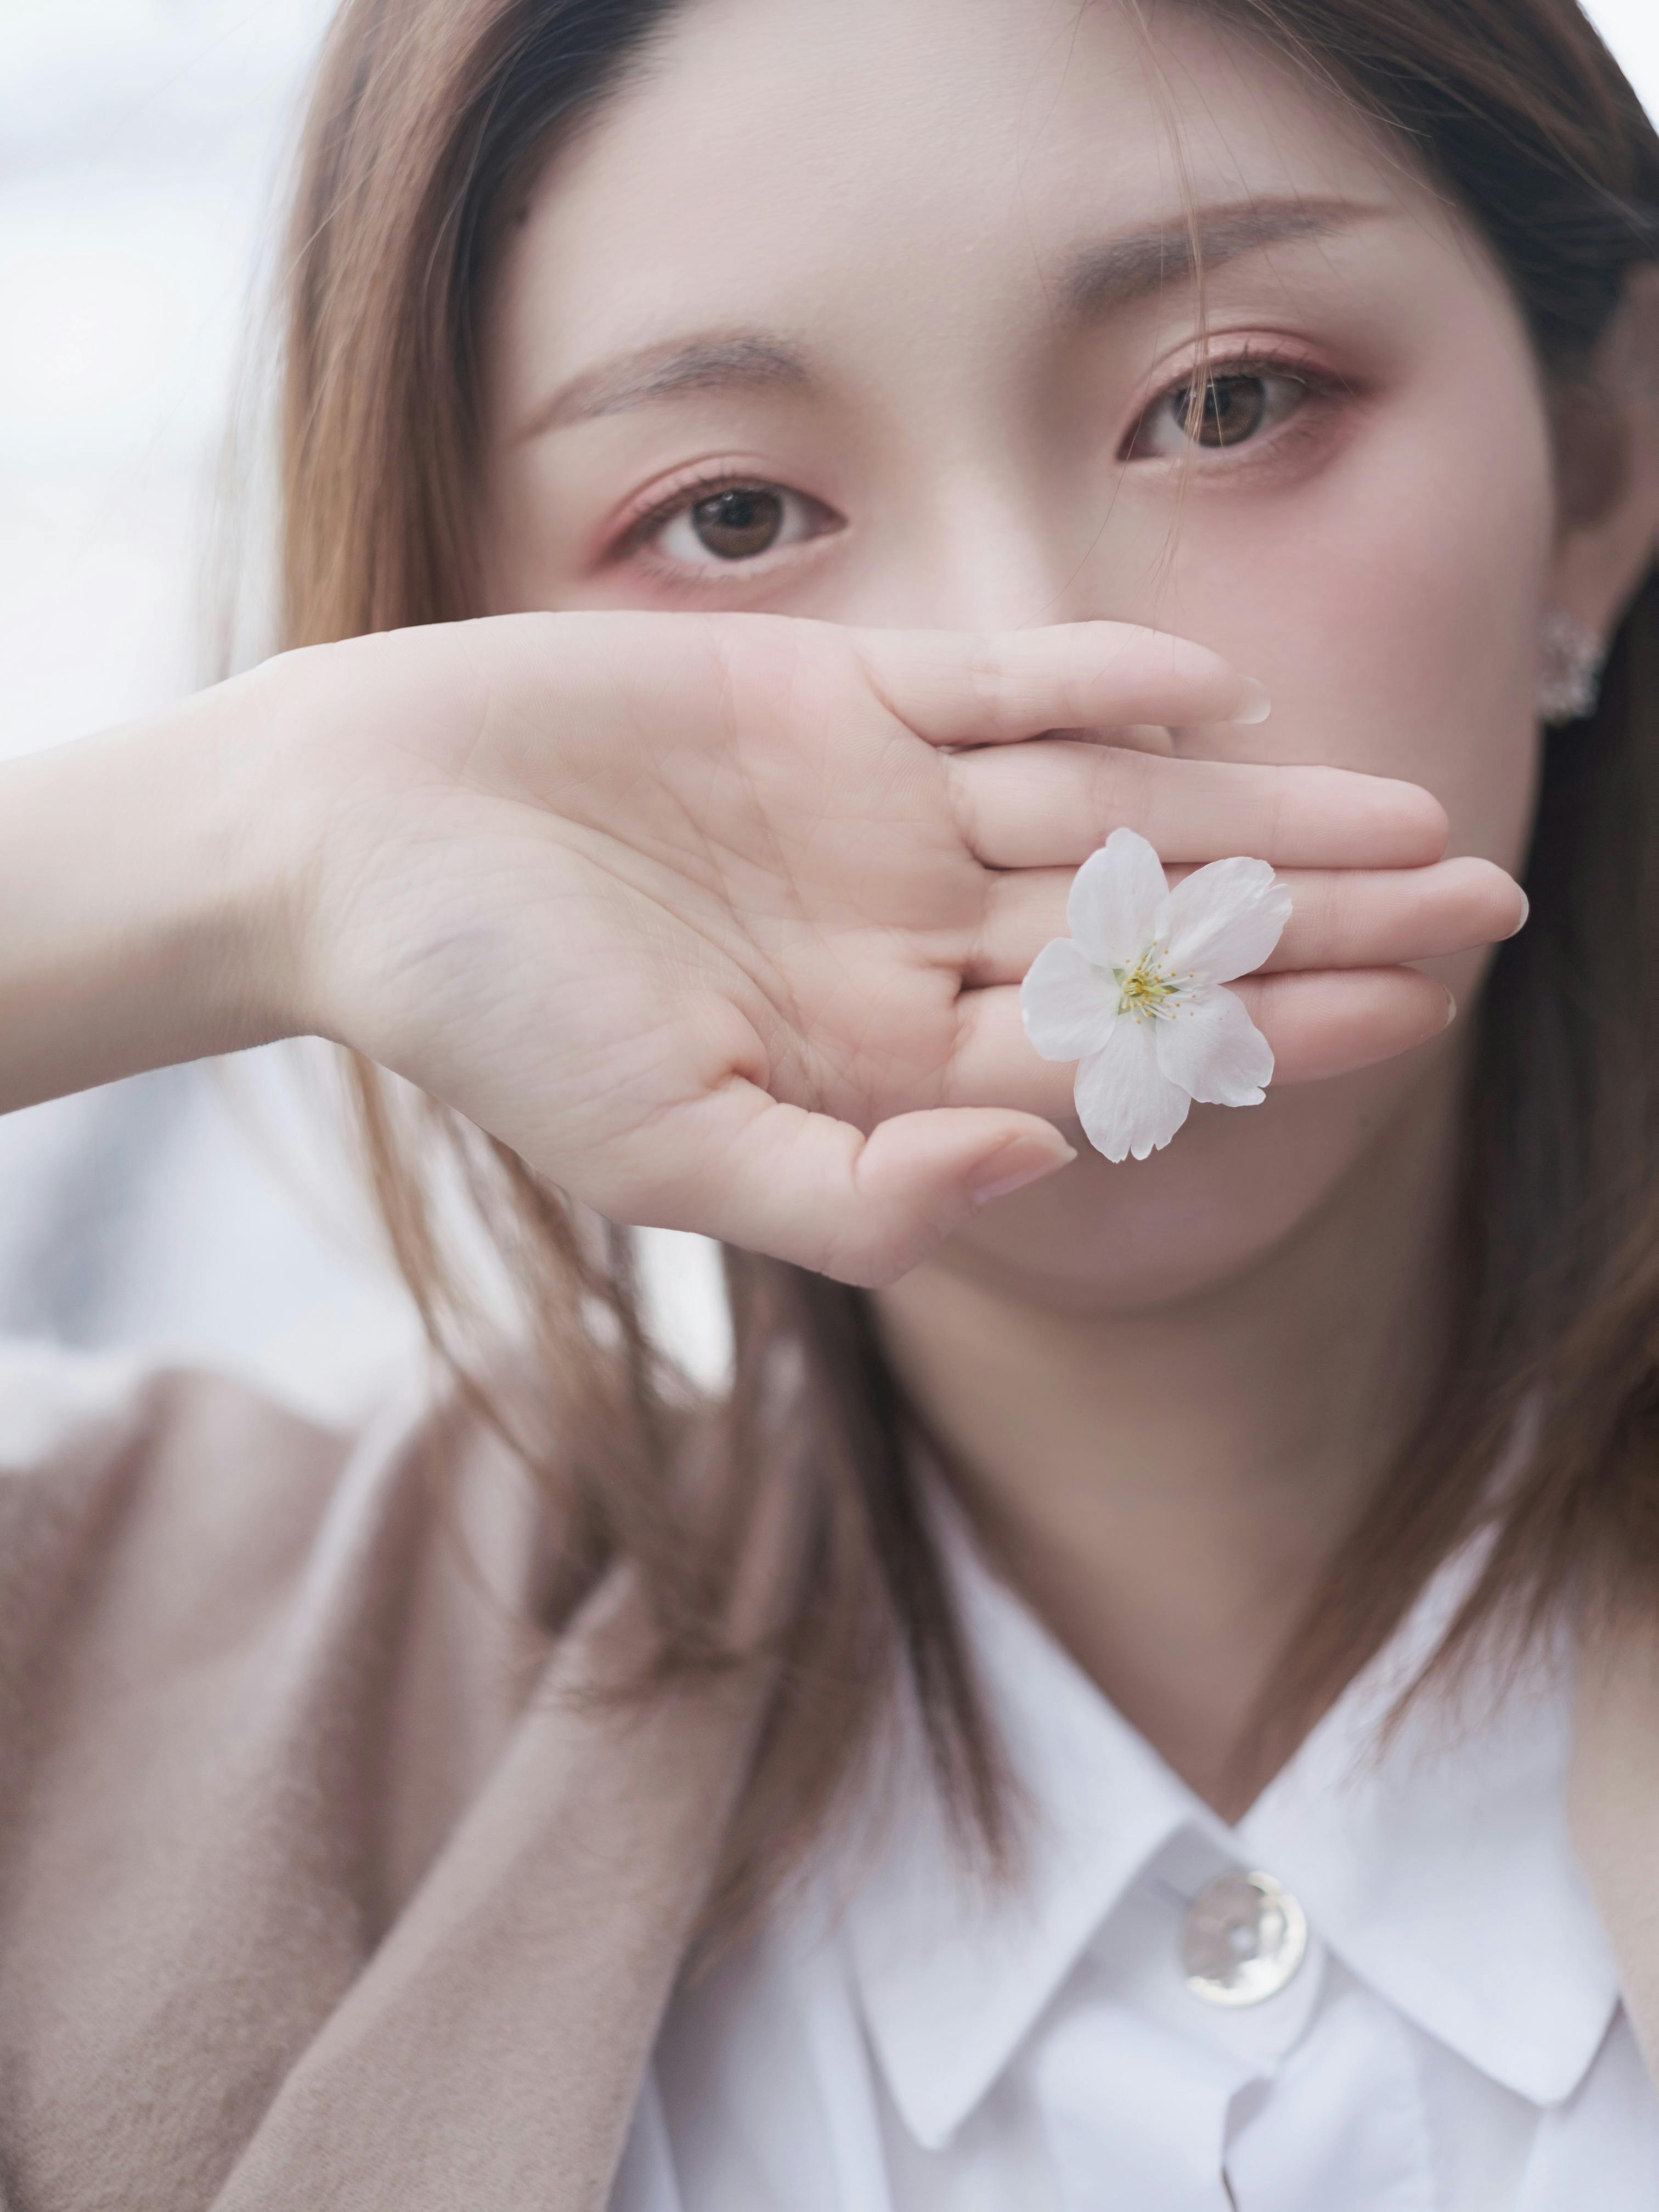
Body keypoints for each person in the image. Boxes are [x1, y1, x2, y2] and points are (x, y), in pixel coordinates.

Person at [3, 0, 1658, 2201]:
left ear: (1607, 458)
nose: (1021, 690)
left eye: (1224, 402)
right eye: (735, 515)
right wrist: (247, 834)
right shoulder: (122, 1665)